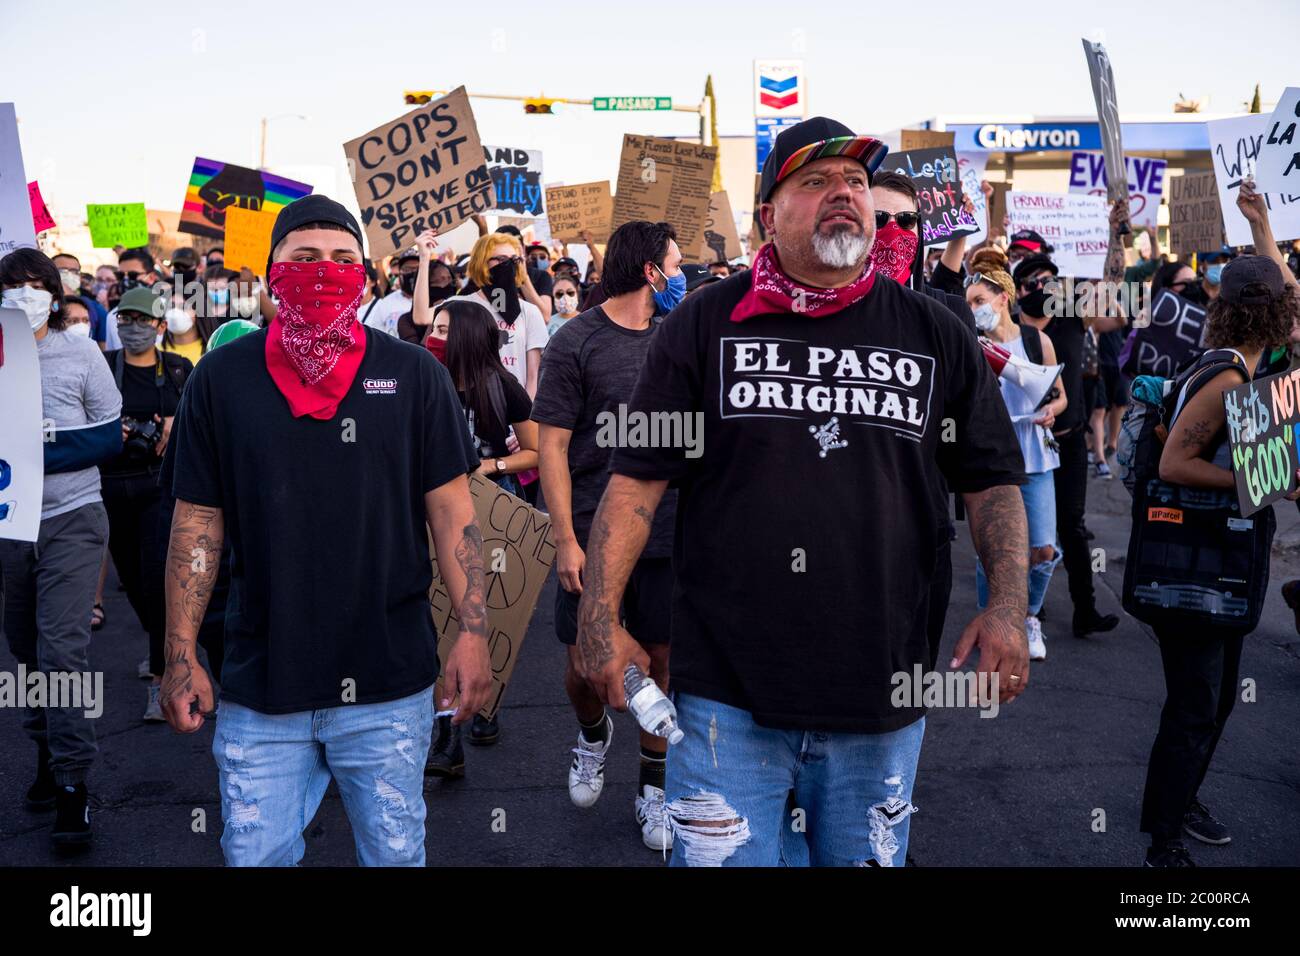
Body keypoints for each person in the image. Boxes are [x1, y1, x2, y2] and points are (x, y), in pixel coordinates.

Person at [574, 117, 1029, 867]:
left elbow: (990, 483)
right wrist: (599, 616)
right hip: (726, 698)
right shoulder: (700, 326)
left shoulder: (933, 329)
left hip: (883, 693)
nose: (843, 195)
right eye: (815, 182)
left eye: (854, 182)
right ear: (767, 216)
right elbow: (636, 484)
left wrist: (1009, 606)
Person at [159, 195, 492, 866]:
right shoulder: (221, 379)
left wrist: (475, 633)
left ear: (365, 275)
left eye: (342, 260)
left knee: (395, 857)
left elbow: (454, 516)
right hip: (261, 686)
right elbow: (197, 524)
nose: (323, 272)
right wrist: (180, 651)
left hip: (390, 681)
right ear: (271, 274)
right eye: (303, 259)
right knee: (256, 857)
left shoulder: (413, 374)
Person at [1139, 255, 1298, 866]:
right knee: (1196, 705)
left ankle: (1180, 802)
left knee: (1215, 701)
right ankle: (1163, 841)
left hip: (1224, 562)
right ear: (1274, 315)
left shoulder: (1256, 367)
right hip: (1195, 565)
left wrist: (1261, 224)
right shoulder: (1229, 377)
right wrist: (1264, 480)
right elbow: (1173, 466)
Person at [532, 219, 682, 851]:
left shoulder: (681, 339)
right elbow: (553, 446)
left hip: (670, 534)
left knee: (661, 662)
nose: (683, 277)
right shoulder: (576, 341)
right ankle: (593, 736)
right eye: (675, 265)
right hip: (594, 532)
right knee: (583, 666)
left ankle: (654, 787)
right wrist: (565, 537)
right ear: (650, 271)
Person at [0, 248, 121, 852]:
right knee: (24, 650)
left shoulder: (78, 349)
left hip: (73, 517)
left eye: (33, 285)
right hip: (9, 525)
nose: (23, 295)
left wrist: (32, 454)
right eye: (11, 286)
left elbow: (107, 432)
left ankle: (74, 783)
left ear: (52, 291)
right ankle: (46, 749)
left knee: (61, 651)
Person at [422, 296, 540, 773]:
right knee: (440, 612)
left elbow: (535, 452)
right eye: (434, 327)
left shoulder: (503, 386)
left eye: (446, 329)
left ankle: (484, 705)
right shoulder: (423, 382)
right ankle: (447, 733)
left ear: (470, 335)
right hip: (434, 508)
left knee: (483, 610)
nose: (436, 336)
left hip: (493, 506)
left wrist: (489, 466)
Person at [1013, 197, 1128, 638]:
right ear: (1021, 291)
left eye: (1050, 279)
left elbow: (1113, 286)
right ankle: (1029, 611)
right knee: (1027, 534)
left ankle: (1085, 609)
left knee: (1072, 527)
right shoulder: (1008, 330)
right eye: (1036, 281)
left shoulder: (1073, 317)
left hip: (1071, 438)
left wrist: (1116, 235)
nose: (1045, 286)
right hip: (1024, 448)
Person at [99, 285, 193, 720]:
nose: (132, 329)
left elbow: (200, 421)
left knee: (157, 579)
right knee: (134, 582)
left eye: (141, 321)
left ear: (159, 327)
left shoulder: (177, 369)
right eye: (125, 321)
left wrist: (176, 426)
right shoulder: (102, 365)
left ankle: (161, 675)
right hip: (112, 484)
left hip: (159, 486)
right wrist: (107, 431)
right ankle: (155, 639)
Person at [965, 261, 1066, 660]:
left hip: (1035, 453)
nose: (973, 308)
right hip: (992, 454)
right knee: (991, 547)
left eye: (979, 300)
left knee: (1042, 548)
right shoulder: (971, 342)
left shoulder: (1035, 340)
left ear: (1003, 298)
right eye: (968, 302)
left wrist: (1053, 409)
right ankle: (991, 617)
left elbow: (1059, 393)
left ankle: (1028, 616)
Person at [461, 232, 549, 397]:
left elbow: (533, 375)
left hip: (516, 412)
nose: (508, 265)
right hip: (473, 407)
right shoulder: (462, 305)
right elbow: (421, 316)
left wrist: (527, 417)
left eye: (514, 260)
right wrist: (424, 257)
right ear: (482, 263)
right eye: (501, 260)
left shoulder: (529, 311)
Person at [402, 230, 457, 344]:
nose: (446, 285)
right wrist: (436, 320)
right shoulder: (405, 321)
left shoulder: (458, 310)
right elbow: (418, 354)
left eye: (449, 280)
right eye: (440, 280)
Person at [103, 247, 162, 350]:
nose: (126, 281)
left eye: (133, 275)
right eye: (120, 276)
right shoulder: (113, 316)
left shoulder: (169, 313)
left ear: (151, 278)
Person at [363, 247, 419, 337]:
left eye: (417, 269)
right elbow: (376, 338)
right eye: (407, 269)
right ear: (400, 273)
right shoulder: (386, 303)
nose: (412, 273)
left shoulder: (434, 301)